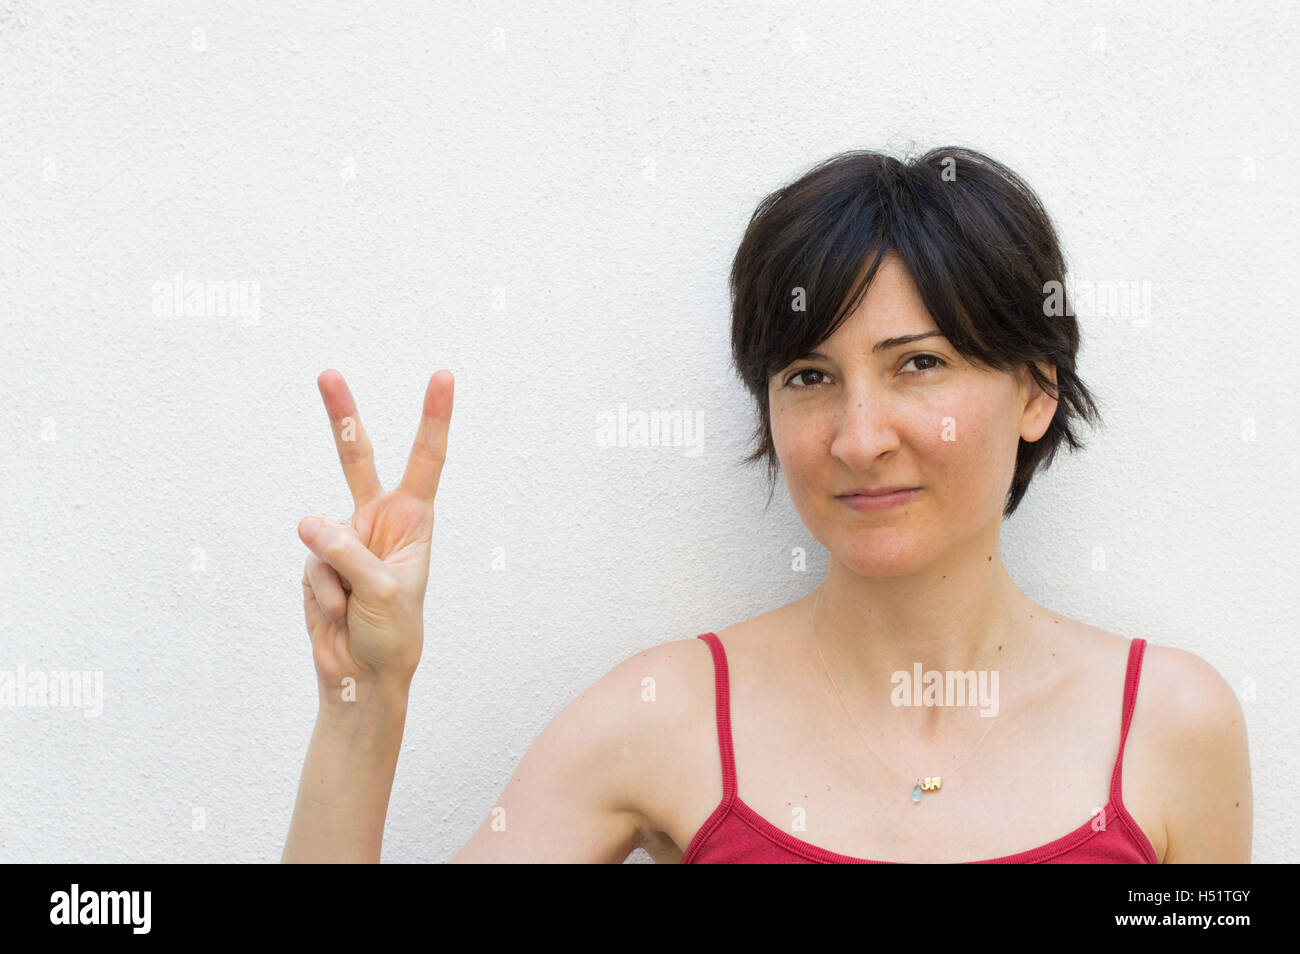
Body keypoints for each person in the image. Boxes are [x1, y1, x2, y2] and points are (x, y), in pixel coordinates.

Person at [281, 147, 1252, 863]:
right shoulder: (661, 715)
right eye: (807, 376)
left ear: (1036, 389)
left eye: (918, 364)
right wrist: (362, 700)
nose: (857, 435)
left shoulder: (1169, 726)